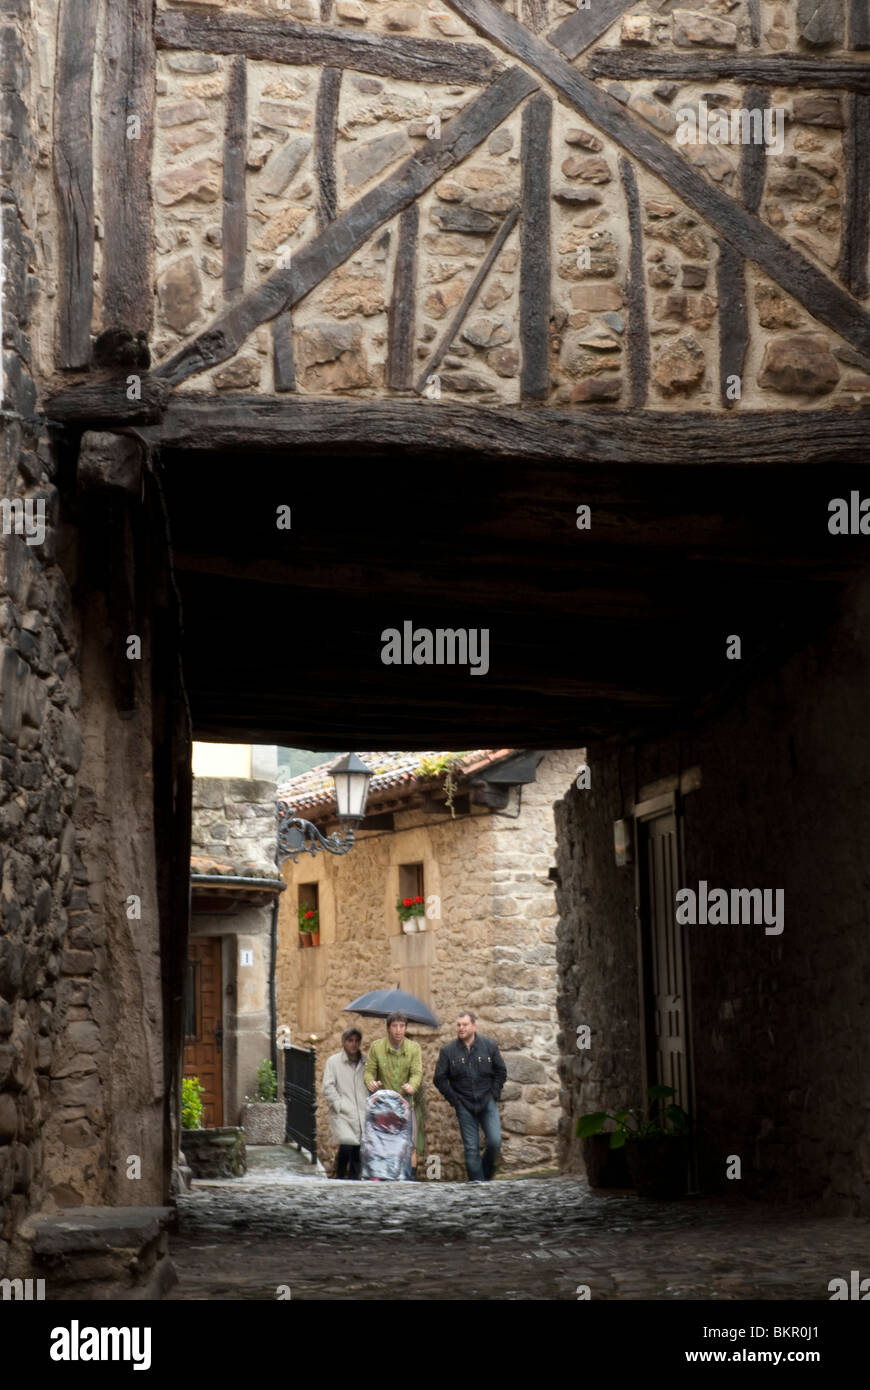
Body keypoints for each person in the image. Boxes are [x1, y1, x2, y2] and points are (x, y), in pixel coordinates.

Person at [434, 1009, 507, 1182]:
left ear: (474, 1026)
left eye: (465, 1025)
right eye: (458, 1025)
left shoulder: (489, 1046)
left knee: (494, 1142)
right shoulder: (448, 1051)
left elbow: (501, 1071)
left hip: (487, 1101)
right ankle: (477, 1186)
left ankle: (485, 1177)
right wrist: (455, 1100)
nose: (461, 1028)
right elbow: (439, 1079)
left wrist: (494, 1094)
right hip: (464, 1103)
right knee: (471, 1149)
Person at [364, 1011, 424, 1177]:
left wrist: (412, 1085)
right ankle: (381, 1177)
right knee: (382, 1146)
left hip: (405, 1104)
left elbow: (416, 1072)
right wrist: (371, 1082)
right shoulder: (377, 1047)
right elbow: (369, 1072)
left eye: (402, 1026)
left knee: (407, 1145)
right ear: (388, 1028)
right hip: (383, 1107)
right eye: (395, 1026)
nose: (398, 1030)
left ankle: (407, 1179)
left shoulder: (413, 1048)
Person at [322, 1026, 369, 1179]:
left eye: (356, 1041)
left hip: (361, 1111)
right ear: (343, 1042)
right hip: (343, 1113)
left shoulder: (366, 1062)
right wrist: (338, 1104)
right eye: (350, 1040)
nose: (353, 1044)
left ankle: (354, 1180)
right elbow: (328, 1086)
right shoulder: (334, 1062)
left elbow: (370, 1083)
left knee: (358, 1149)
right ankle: (341, 1175)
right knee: (347, 1145)